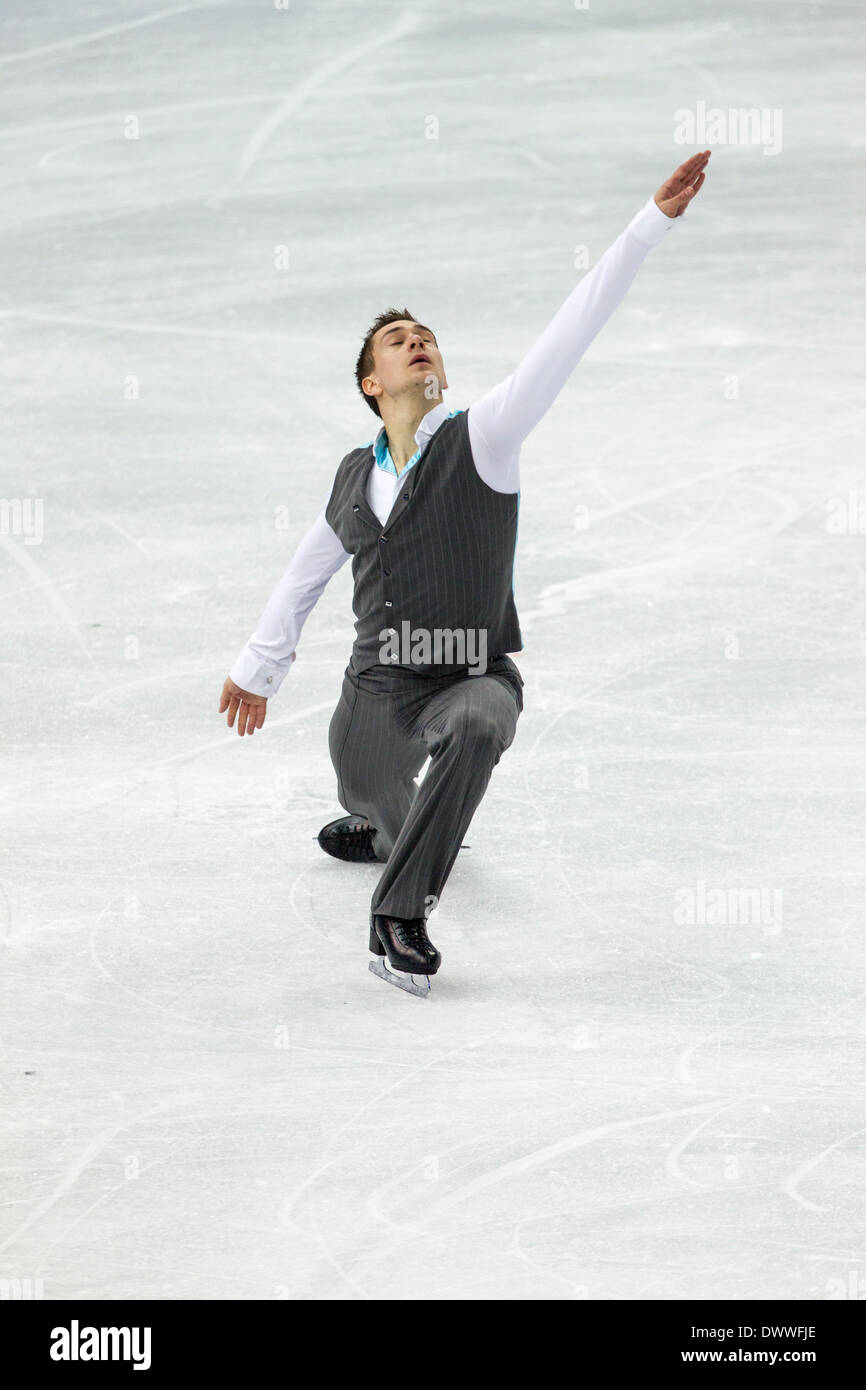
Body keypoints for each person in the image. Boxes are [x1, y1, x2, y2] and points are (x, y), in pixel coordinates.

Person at [219, 152, 711, 995]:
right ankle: (383, 827)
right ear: (373, 383)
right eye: (397, 341)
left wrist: (650, 221)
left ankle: (400, 912)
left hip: (468, 675)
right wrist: (257, 668)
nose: (418, 344)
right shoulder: (352, 475)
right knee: (364, 784)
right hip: (376, 686)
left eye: (427, 338)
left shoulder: (485, 438)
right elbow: (307, 572)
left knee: (480, 724)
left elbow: (572, 328)